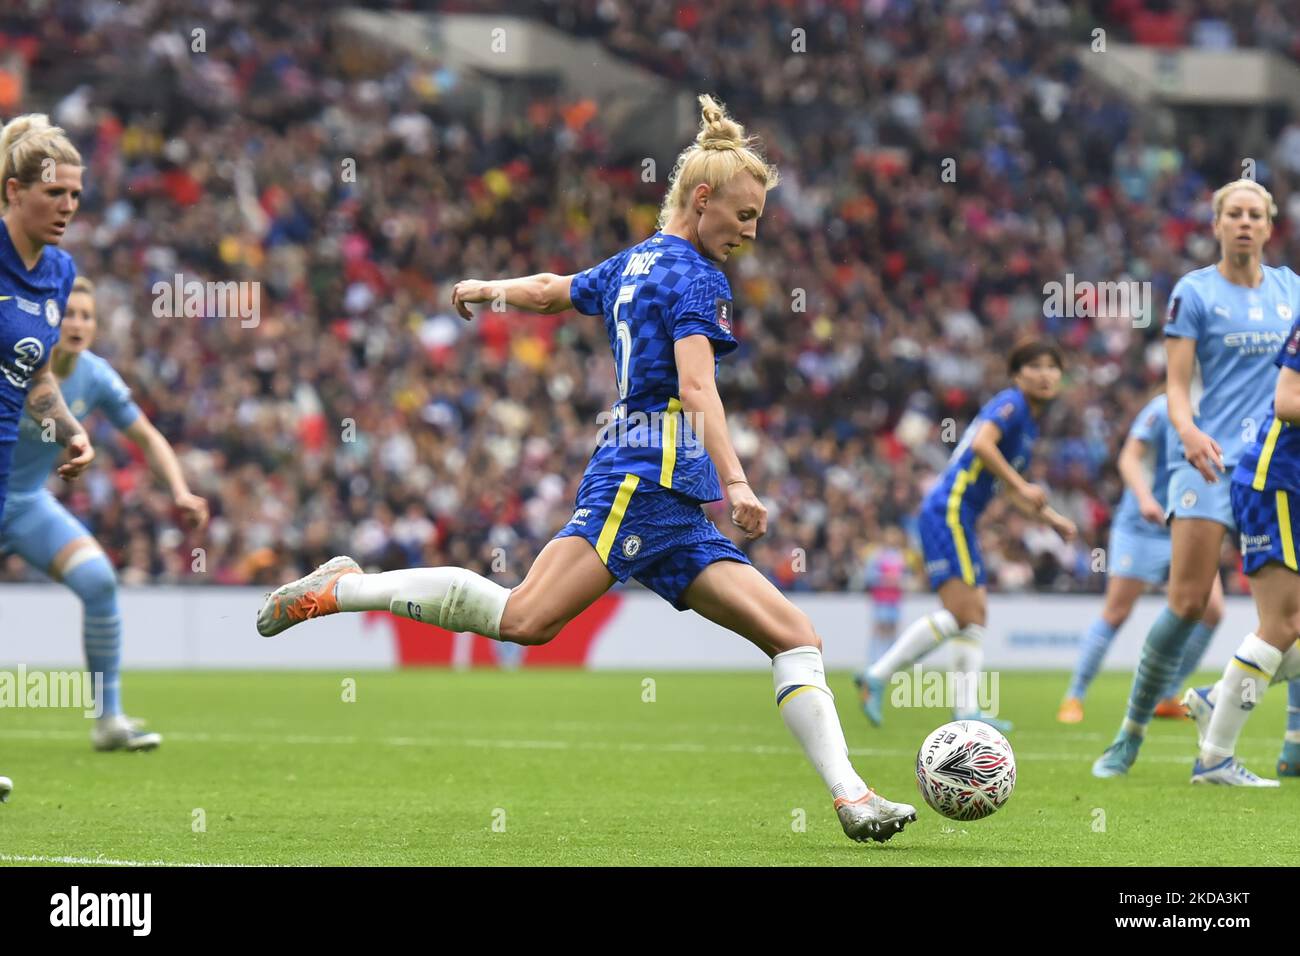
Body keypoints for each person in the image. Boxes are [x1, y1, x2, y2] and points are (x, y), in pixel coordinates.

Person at [256, 95, 918, 843]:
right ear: (702, 200)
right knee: (526, 618)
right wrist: (738, 481)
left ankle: (852, 798)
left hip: (673, 499)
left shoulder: (633, 261)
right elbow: (698, 387)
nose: (750, 232)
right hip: (641, 478)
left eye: (757, 219)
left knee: (795, 636)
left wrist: (489, 289)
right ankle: (342, 588)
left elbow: (551, 290)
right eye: (743, 216)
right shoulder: (697, 276)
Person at [1094, 179, 1300, 778]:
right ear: (1215, 225)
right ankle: (1130, 732)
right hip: (1208, 460)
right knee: (1187, 603)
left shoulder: (1292, 290)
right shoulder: (1195, 293)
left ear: (1269, 226)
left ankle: (1291, 744)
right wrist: (1184, 431)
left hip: (1276, 462)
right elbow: (1177, 386)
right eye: (1232, 213)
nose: (1243, 223)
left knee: (1287, 610)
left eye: (1254, 214)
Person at [3, 276, 210, 751]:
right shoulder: (14, 361)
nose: (77, 323)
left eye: (86, 316)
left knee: (98, 580)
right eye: (68, 313)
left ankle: (108, 720)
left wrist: (179, 491)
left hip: (27, 505)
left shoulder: (94, 376)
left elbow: (148, 438)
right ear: (49, 318)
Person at [858, 341, 1077, 730]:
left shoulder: (1028, 424)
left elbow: (1010, 489)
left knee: (973, 614)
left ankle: (964, 711)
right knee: (965, 612)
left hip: (959, 516)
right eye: (1034, 366)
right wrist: (1024, 488)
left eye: (1052, 367)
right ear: (1017, 375)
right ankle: (878, 674)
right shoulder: (1011, 404)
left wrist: (1052, 518)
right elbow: (981, 445)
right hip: (950, 510)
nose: (1045, 374)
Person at [0, 113, 96, 802]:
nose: (67, 206)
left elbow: (36, 377)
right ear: (13, 190)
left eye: (75, 196)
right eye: (54, 192)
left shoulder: (59, 272)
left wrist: (68, 428)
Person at [1058, 389, 1223, 724]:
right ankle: (1074, 696)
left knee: (1212, 611)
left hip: (1188, 522)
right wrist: (1146, 498)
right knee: (1116, 612)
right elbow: (1128, 458)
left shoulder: (1223, 406)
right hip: (1143, 525)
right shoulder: (1164, 408)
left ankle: (1167, 694)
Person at [1184, 310, 1300, 784]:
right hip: (1275, 482)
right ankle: (1214, 760)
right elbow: (1288, 400)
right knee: (1283, 622)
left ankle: (1217, 697)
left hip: (1287, 486)